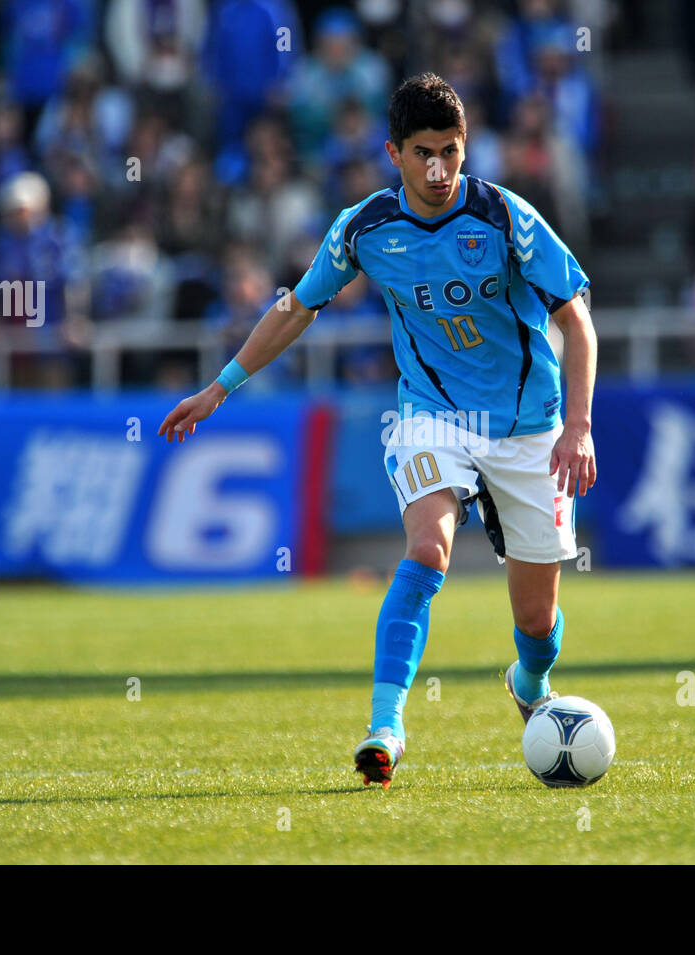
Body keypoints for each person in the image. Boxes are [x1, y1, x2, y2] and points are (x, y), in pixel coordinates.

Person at [157, 73, 597, 789]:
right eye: (423, 152)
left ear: (466, 147)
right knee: (428, 548)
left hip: (529, 427)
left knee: (539, 623)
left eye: (451, 152)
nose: (438, 170)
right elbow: (298, 307)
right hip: (432, 415)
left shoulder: (506, 217)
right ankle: (386, 726)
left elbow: (576, 317)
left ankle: (528, 678)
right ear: (393, 152)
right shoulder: (365, 228)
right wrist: (218, 388)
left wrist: (577, 426)